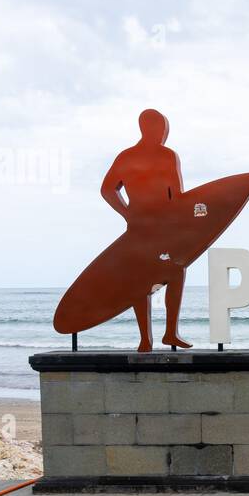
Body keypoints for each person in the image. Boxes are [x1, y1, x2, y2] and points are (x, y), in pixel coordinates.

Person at [99, 109, 192, 351]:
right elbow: (177, 195)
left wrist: (127, 212)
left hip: (138, 225)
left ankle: (145, 340)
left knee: (140, 279)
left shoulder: (125, 157)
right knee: (176, 272)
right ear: (159, 129)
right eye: (164, 129)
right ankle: (169, 333)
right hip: (162, 226)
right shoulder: (167, 155)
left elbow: (108, 190)